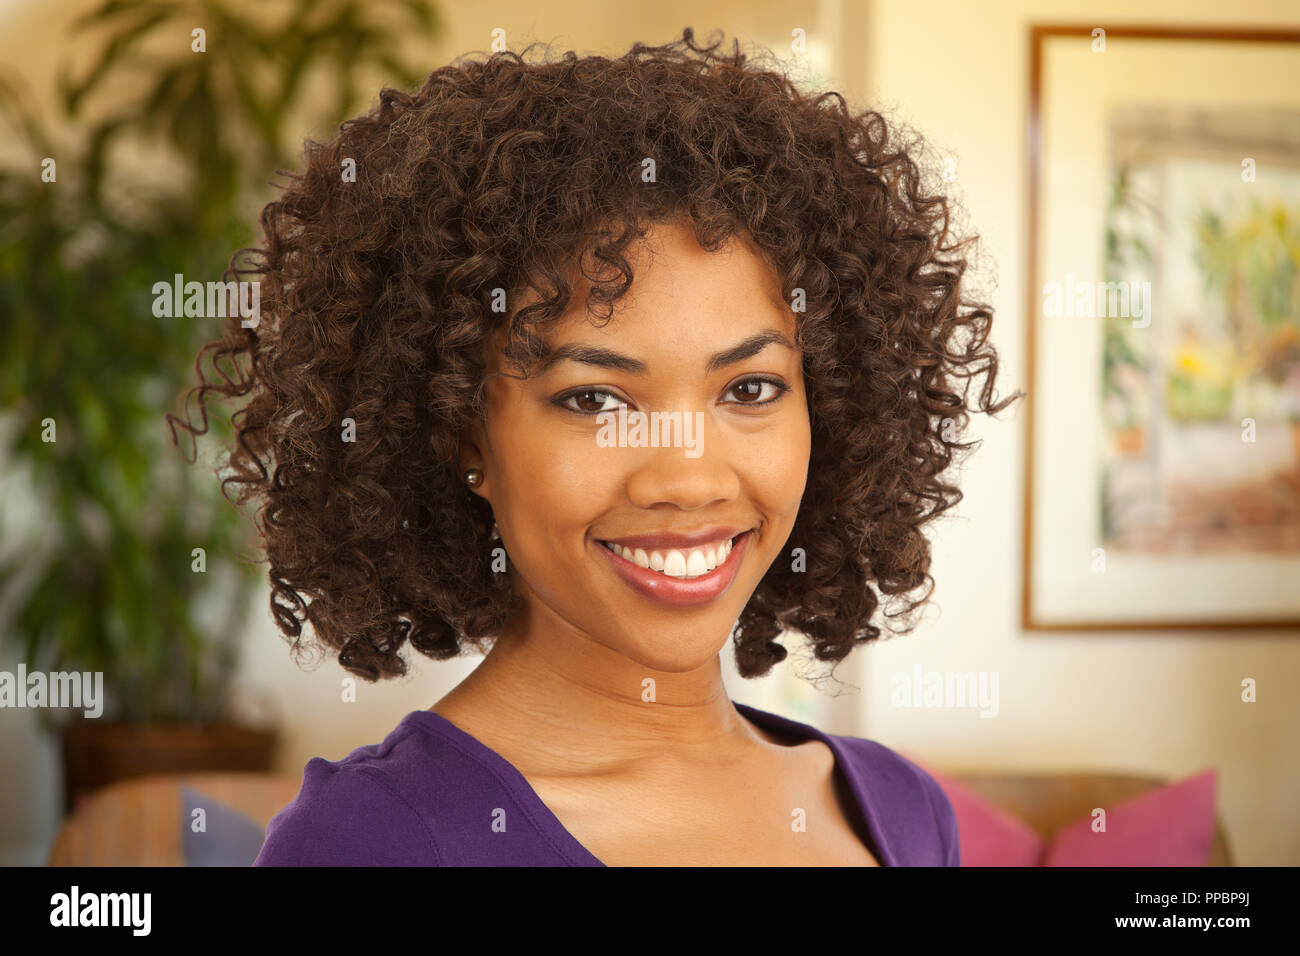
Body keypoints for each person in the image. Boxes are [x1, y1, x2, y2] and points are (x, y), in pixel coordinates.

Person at [172, 27, 1014, 866]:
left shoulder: (899, 812)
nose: (688, 476)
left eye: (750, 389)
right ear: (466, 432)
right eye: (594, 399)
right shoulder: (379, 842)